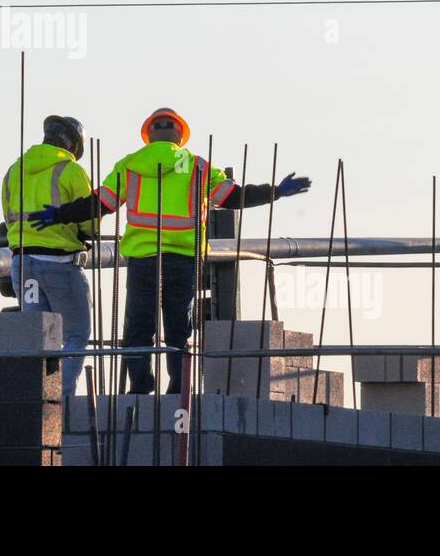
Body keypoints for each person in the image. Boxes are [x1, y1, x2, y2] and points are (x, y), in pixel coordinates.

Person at [30, 107, 311, 394]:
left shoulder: (131, 164)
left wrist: (59, 215)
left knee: (139, 328)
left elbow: (98, 204)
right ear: (180, 135)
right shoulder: (196, 166)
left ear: (148, 135)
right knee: (179, 329)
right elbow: (234, 197)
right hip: (183, 261)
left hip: (143, 260)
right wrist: (275, 191)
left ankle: (140, 386)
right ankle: (179, 388)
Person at [2, 115, 95, 397]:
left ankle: (38, 400)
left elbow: (8, 218)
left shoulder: (14, 171)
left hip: (21, 265)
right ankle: (61, 399)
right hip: (60, 264)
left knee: (39, 338)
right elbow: (89, 222)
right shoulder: (70, 170)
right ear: (73, 143)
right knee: (75, 334)